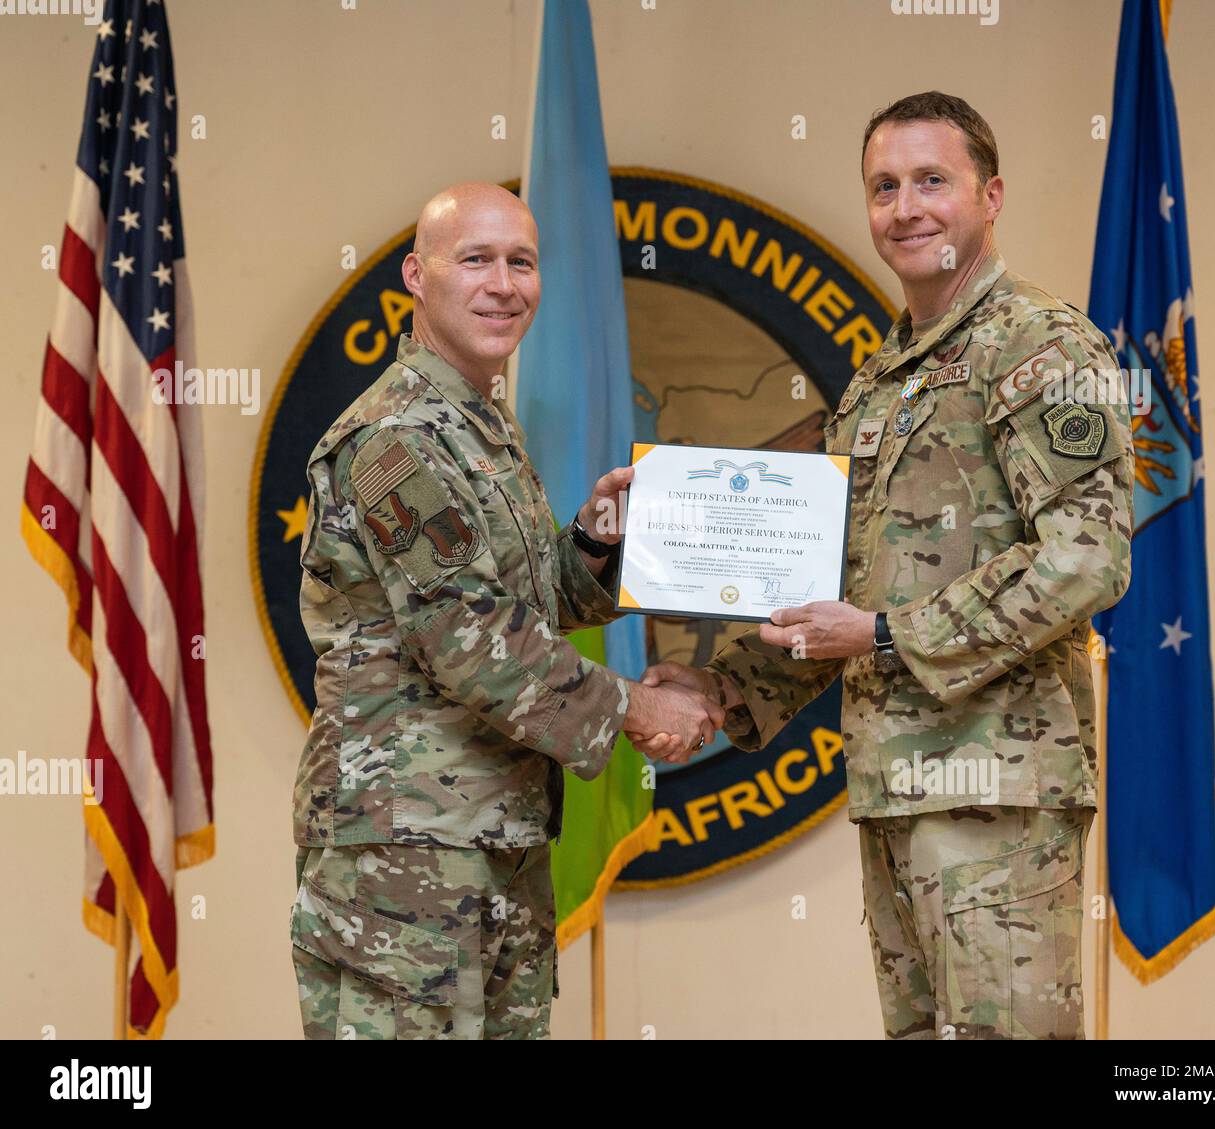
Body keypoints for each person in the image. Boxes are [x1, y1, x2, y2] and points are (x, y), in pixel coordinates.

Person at [634, 92, 1135, 1040]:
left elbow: (1088, 557)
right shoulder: (878, 382)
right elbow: (851, 591)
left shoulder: (1037, 344)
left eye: (931, 181)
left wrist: (893, 634)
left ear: (990, 196)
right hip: (897, 787)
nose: (905, 207)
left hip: (998, 793)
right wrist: (724, 686)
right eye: (884, 186)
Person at [289, 182, 722, 1040]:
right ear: (417, 275)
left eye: (521, 262)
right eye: (475, 259)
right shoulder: (396, 439)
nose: (503, 283)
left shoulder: (483, 424)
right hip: (407, 853)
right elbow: (473, 640)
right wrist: (641, 706)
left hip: (493, 836)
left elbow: (520, 603)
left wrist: (596, 538)